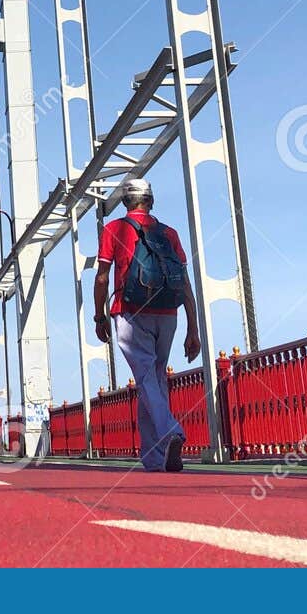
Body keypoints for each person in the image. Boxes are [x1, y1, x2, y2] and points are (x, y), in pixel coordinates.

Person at [93, 178, 200, 472]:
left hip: (130, 311)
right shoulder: (169, 233)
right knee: (153, 379)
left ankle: (171, 432)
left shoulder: (114, 229)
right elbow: (185, 284)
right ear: (151, 201)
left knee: (146, 378)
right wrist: (193, 327)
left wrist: (99, 315)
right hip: (168, 314)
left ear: (126, 202)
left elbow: (102, 277)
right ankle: (154, 458)